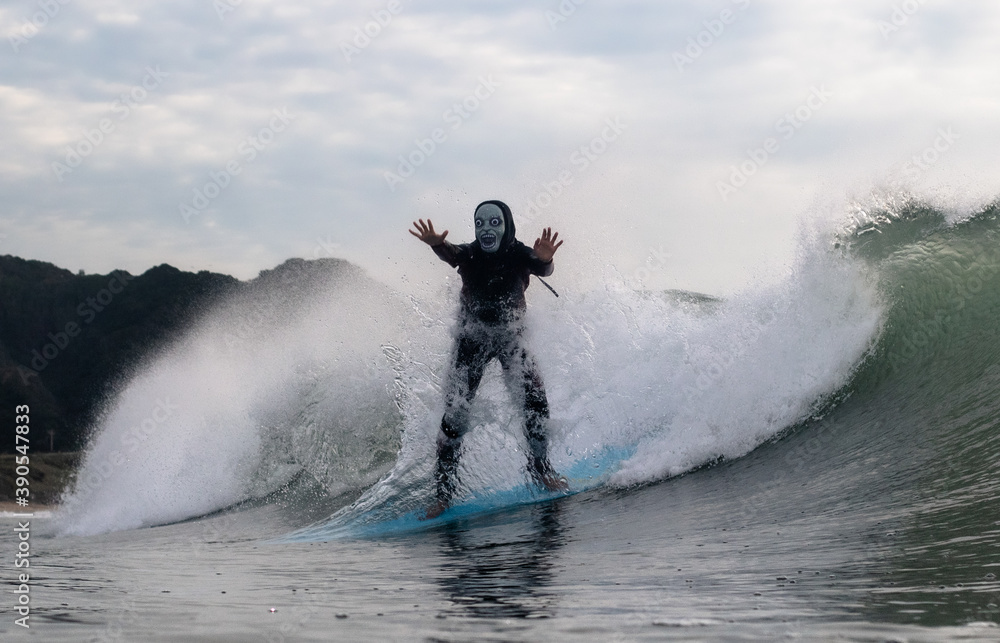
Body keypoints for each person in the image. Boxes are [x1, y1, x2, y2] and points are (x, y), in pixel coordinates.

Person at [409, 200, 568, 519]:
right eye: (480, 223)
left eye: (494, 223)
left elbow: (542, 268)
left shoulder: (519, 253)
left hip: (512, 338)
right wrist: (438, 244)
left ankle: (542, 471)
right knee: (454, 417)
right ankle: (443, 495)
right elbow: (452, 253)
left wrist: (546, 259)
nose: (486, 230)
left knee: (536, 404)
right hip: (472, 338)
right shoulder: (470, 253)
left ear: (506, 225)